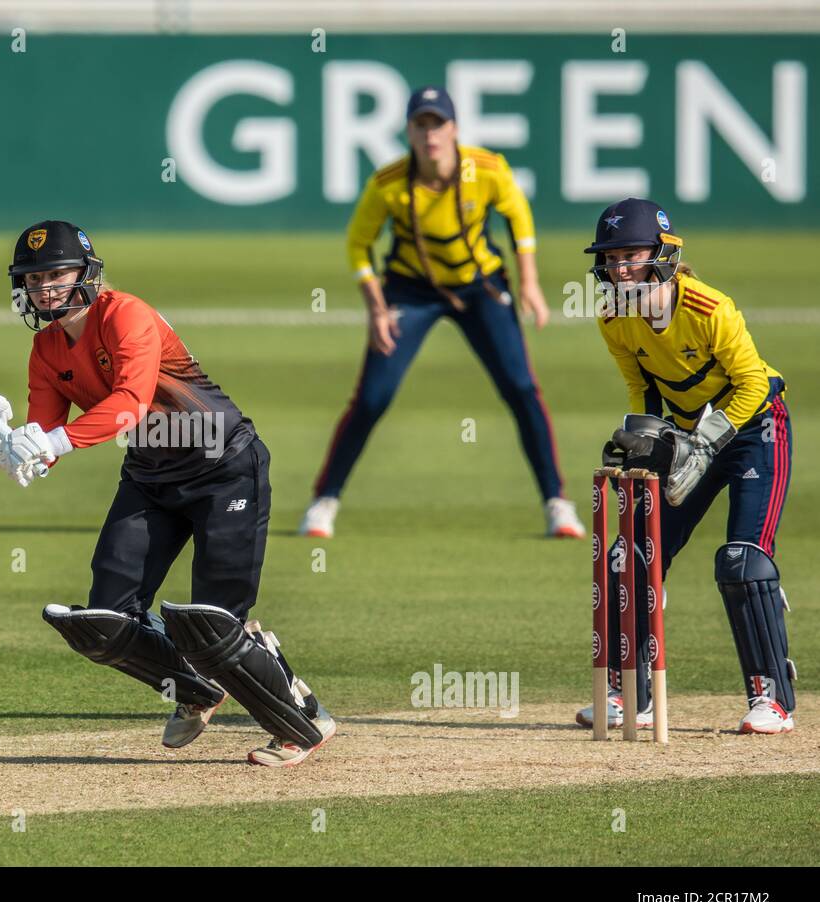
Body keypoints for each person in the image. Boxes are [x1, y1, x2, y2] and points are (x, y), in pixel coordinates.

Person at [0, 220, 336, 766]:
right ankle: (195, 689)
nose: (44, 289)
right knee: (105, 622)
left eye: (57, 275)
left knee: (214, 624)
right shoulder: (45, 351)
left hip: (224, 465)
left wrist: (46, 441)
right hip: (150, 477)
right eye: (34, 279)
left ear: (87, 273)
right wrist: (2, 445)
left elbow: (130, 403)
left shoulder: (126, 315)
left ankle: (304, 718)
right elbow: (45, 443)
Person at [300, 85, 582, 540]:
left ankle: (557, 502)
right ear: (409, 131)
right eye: (421, 124)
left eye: (438, 123)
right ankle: (324, 501)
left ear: (454, 129)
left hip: (481, 288)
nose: (430, 134)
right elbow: (358, 244)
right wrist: (376, 308)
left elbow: (518, 218)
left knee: (521, 387)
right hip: (410, 291)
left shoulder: (487, 169)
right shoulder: (388, 183)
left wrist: (528, 281)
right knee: (373, 397)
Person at [576, 198, 796, 734]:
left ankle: (773, 697)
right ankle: (630, 692)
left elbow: (753, 385)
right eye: (610, 258)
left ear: (664, 255)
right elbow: (643, 389)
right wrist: (648, 445)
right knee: (629, 556)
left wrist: (704, 443)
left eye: (631, 255)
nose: (620, 268)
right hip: (689, 436)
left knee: (741, 561)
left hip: (754, 431)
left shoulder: (709, 308)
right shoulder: (613, 318)